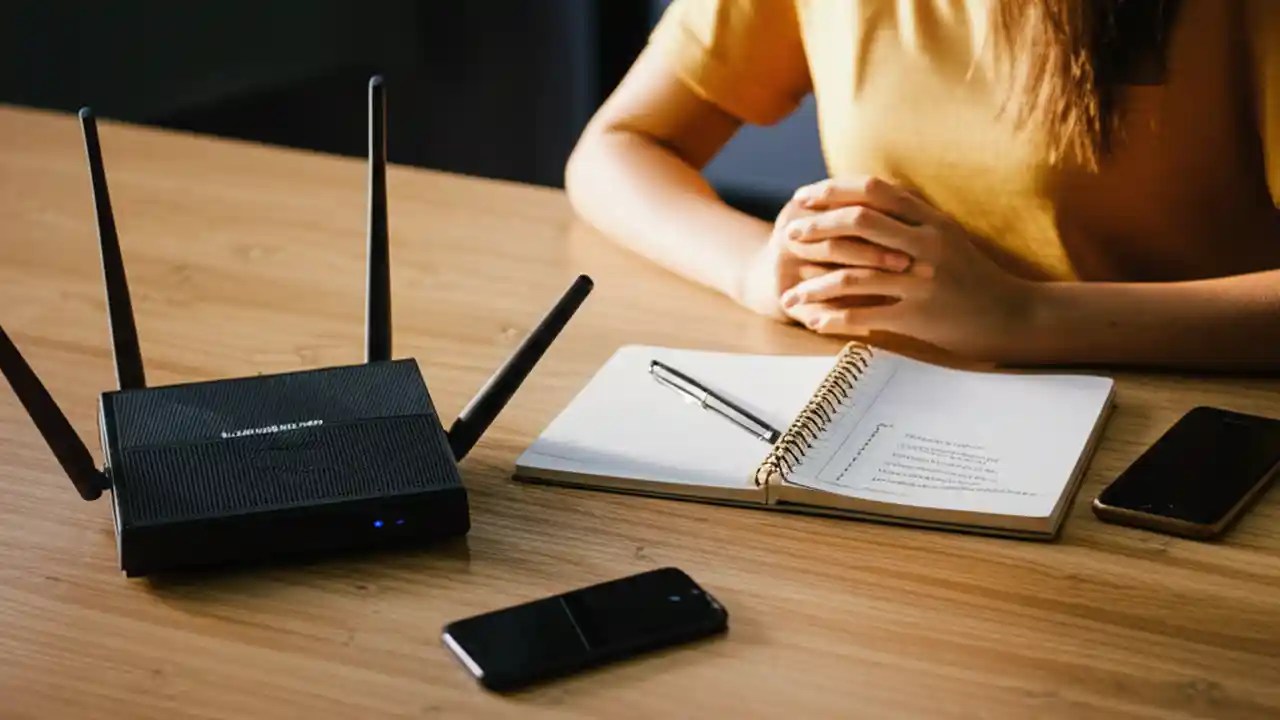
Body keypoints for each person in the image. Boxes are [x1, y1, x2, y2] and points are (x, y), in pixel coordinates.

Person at [564, 0, 1280, 369]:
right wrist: (755, 268)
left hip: (1188, 436)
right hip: (895, 415)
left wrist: (1025, 317)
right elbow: (618, 147)